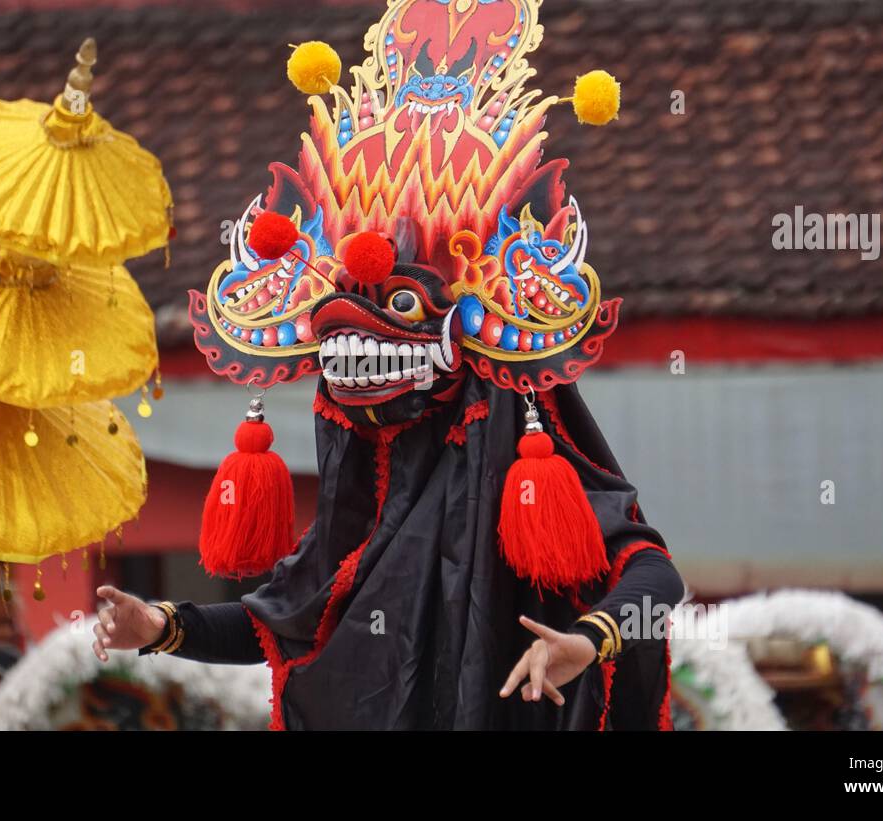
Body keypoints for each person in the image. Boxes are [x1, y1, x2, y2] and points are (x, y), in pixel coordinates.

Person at [94, 0, 684, 730]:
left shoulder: (515, 451)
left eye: (401, 306)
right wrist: (159, 624)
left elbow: (654, 575)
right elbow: (285, 622)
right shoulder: (369, 497)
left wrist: (588, 640)